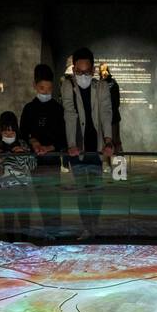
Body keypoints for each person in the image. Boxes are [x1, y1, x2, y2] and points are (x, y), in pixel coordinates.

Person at [60, 47, 113, 237]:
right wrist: (71, 143)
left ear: (93, 70)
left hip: (96, 144)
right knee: (82, 190)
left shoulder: (101, 86)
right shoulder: (68, 86)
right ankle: (86, 227)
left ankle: (95, 226)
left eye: (87, 72)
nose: (83, 75)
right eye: (79, 72)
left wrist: (108, 140)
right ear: (74, 70)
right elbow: (69, 114)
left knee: (97, 188)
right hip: (78, 146)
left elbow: (106, 113)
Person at [20, 63, 67, 237]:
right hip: (35, 161)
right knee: (39, 196)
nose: (45, 92)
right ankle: (45, 231)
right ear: (35, 86)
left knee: (54, 196)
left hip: (52, 159)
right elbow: (23, 133)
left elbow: (63, 137)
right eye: (42, 88)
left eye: (48, 89)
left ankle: (55, 231)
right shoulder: (29, 109)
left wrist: (50, 147)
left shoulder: (57, 109)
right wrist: (34, 142)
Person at [0, 111, 36, 233]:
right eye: (5, 131)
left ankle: (25, 242)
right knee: (8, 219)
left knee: (24, 218)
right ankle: (10, 244)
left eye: (11, 131)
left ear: (16, 130)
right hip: (4, 191)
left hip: (23, 190)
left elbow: (33, 165)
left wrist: (23, 155)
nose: (8, 134)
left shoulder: (23, 145)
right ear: (0, 131)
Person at [99, 62, 121, 153]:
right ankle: (119, 164)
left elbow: (116, 103)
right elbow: (117, 102)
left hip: (110, 117)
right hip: (111, 116)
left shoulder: (100, 85)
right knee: (114, 141)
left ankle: (116, 164)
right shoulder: (113, 84)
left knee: (112, 141)